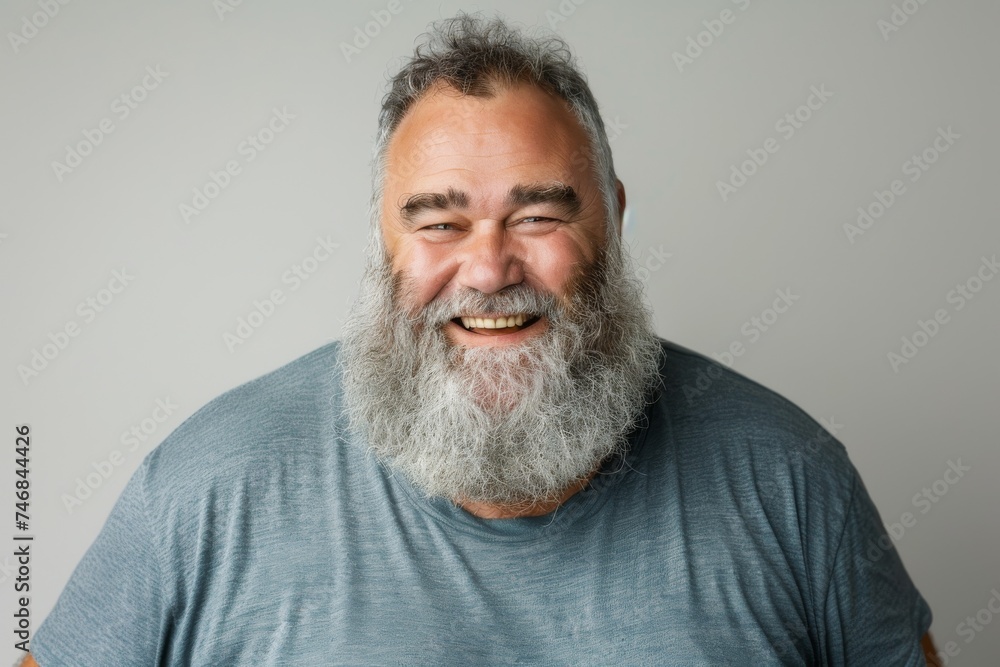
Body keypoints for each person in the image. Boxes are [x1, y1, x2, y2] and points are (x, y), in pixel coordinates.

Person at [27, 12, 935, 666]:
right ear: (383, 239)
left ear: (614, 218)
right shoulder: (205, 490)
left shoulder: (791, 481)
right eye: (440, 223)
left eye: (537, 214)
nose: (491, 269)